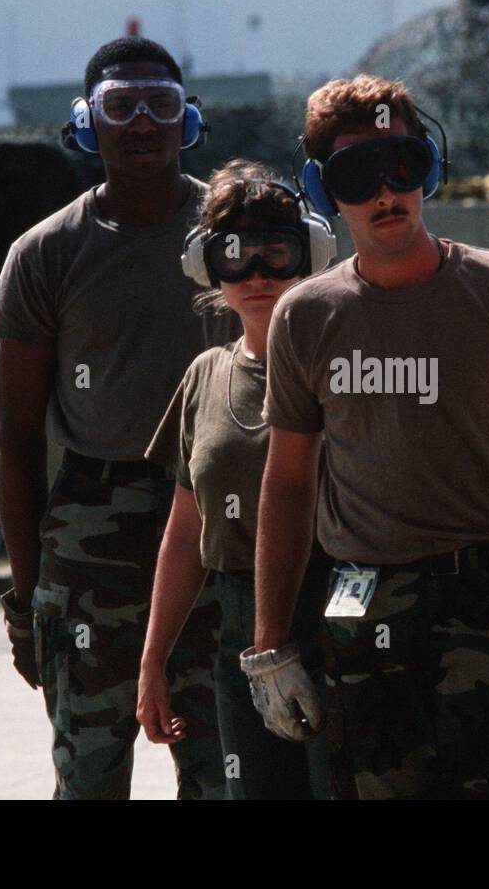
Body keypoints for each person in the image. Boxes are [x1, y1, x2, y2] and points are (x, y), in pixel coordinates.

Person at [243, 74, 489, 799]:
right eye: (357, 175)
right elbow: (288, 484)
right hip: (363, 612)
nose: (385, 193)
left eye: (403, 165)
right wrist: (270, 647)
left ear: (430, 168)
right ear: (322, 189)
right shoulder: (304, 317)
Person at [0, 36, 227, 800]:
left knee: (225, 778)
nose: (142, 122)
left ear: (188, 118)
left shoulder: (237, 239)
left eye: (161, 103)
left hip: (219, 530)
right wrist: (27, 600)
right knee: (88, 780)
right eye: (120, 106)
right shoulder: (45, 253)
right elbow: (15, 434)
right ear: (87, 121)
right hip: (91, 547)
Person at [137, 160, 337, 799]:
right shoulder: (205, 375)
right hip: (239, 632)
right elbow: (184, 531)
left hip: (339, 619)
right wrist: (153, 661)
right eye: (234, 254)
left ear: (310, 255)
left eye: (277, 253)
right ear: (207, 266)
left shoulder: (346, 364)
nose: (257, 275)